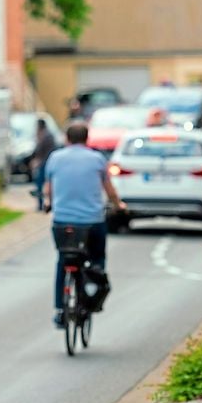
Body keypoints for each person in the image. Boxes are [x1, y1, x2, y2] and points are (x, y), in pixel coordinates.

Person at [43, 122, 126, 328]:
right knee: (97, 258)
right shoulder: (97, 159)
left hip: (63, 221)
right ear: (87, 139)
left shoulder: (55, 158)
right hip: (92, 222)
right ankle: (92, 295)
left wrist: (48, 203)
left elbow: (48, 189)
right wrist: (119, 205)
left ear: (67, 139)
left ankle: (60, 310)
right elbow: (110, 191)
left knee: (63, 260)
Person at [29, 118, 57, 211]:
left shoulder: (44, 136)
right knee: (45, 184)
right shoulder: (48, 135)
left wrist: (37, 161)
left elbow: (39, 151)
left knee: (41, 184)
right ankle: (43, 204)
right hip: (46, 162)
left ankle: (41, 205)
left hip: (44, 163)